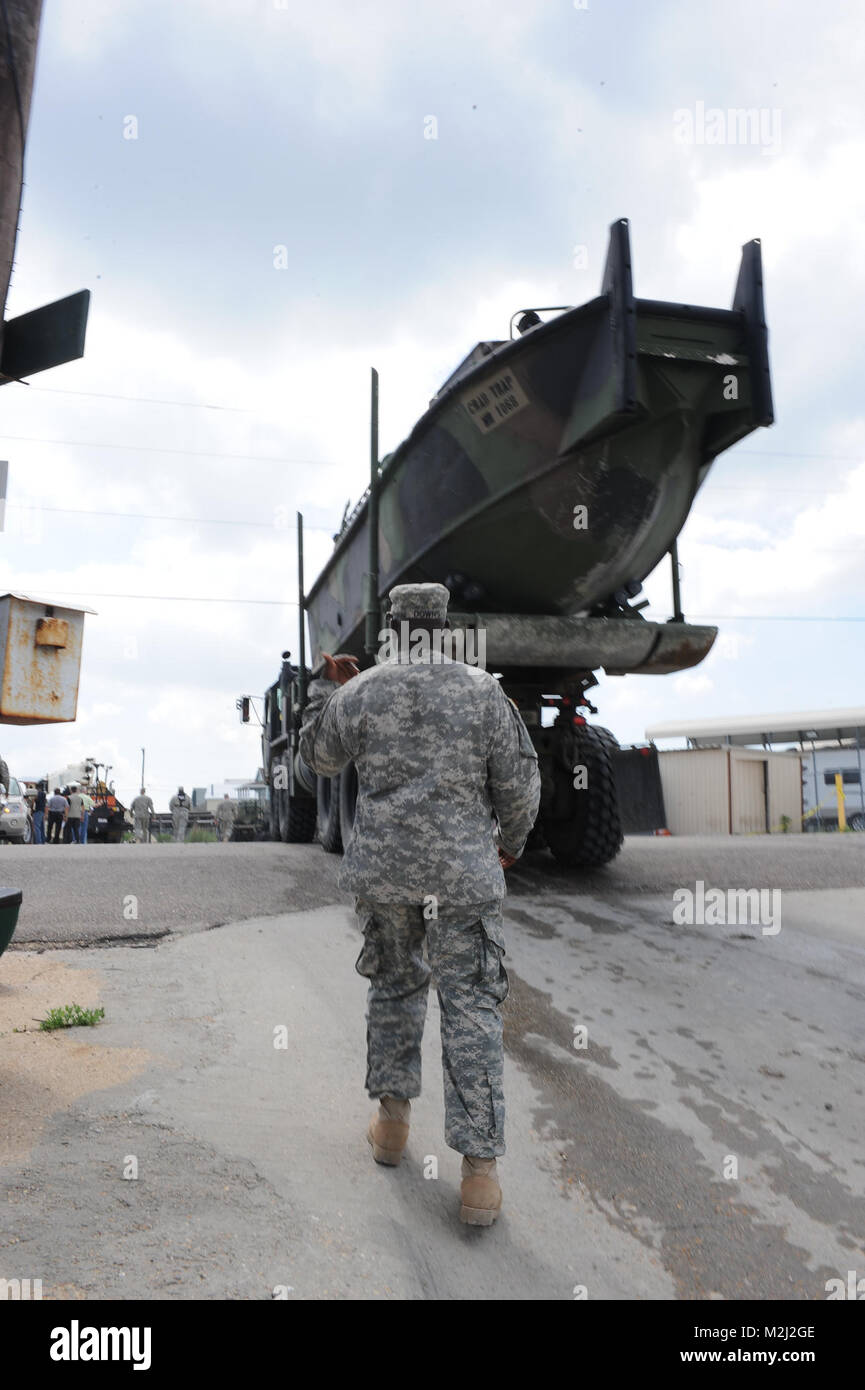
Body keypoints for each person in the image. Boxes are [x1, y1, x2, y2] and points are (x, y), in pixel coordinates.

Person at [299, 582, 540, 1227]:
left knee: (396, 990)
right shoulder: (483, 692)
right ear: (443, 625)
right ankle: (479, 1179)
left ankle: (391, 1127)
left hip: (387, 879)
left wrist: (329, 691)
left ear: (391, 628)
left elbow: (313, 763)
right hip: (461, 881)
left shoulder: (363, 691)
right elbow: (519, 784)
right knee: (471, 1007)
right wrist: (508, 845)